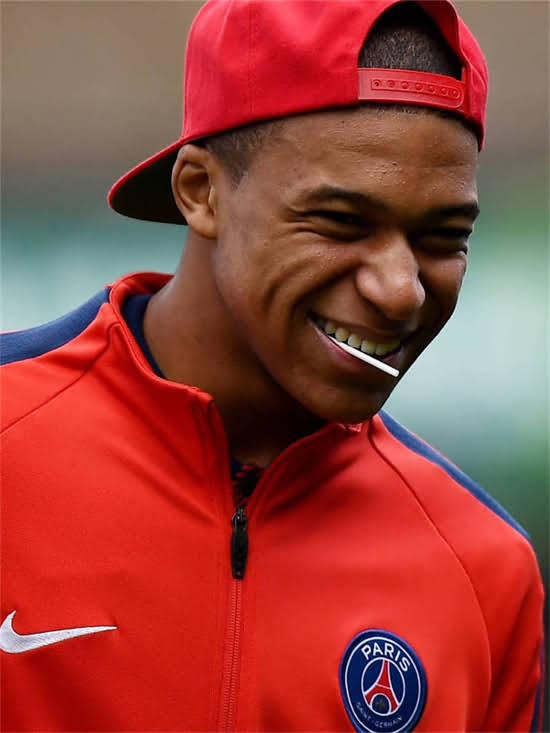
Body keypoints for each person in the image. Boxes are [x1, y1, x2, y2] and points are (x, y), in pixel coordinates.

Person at [0, 0, 544, 731]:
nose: (401, 289)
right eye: (341, 222)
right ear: (200, 191)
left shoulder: (485, 569)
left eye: (442, 237)